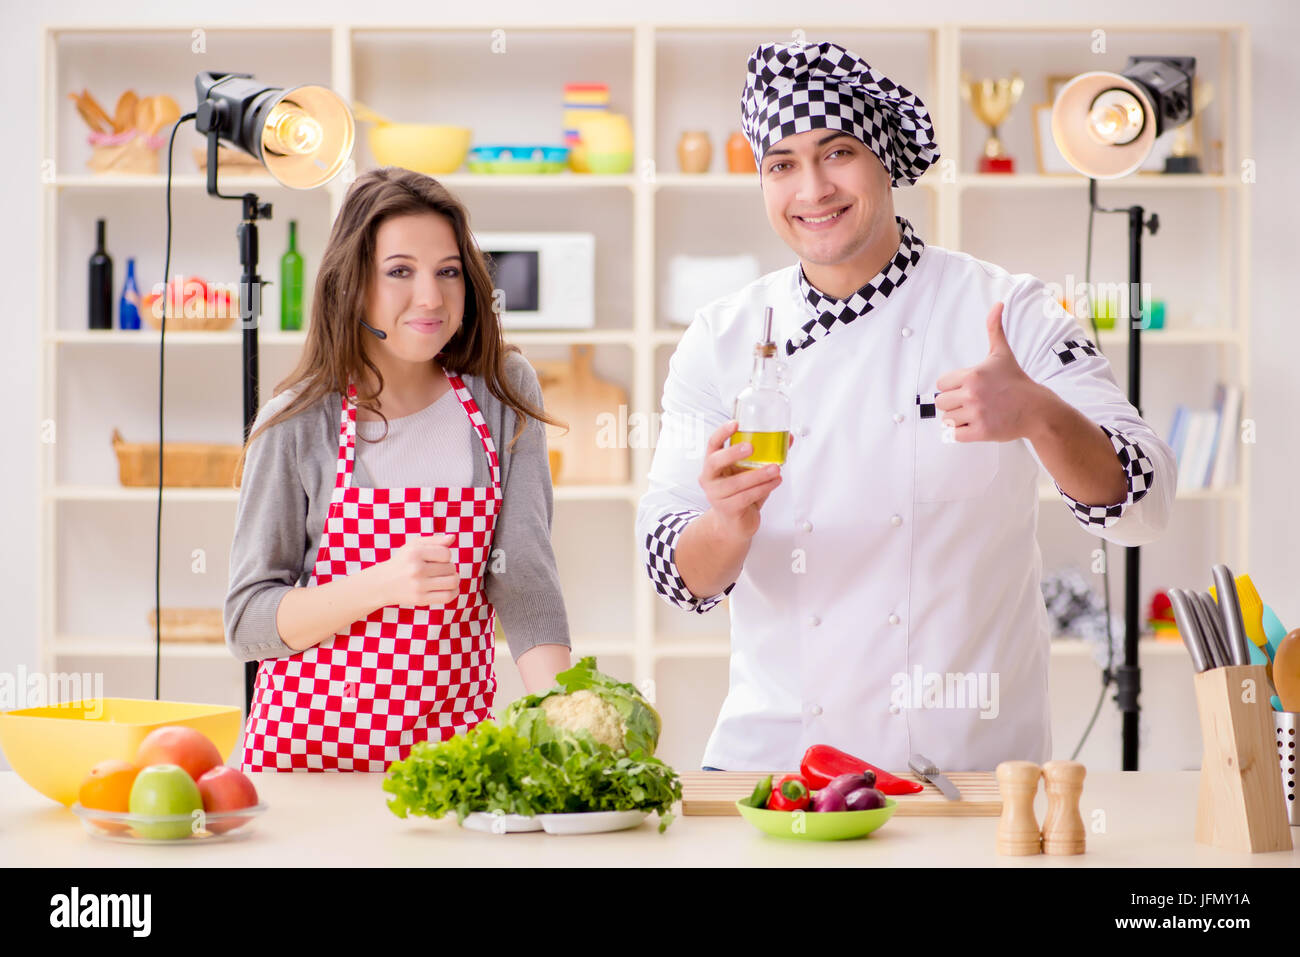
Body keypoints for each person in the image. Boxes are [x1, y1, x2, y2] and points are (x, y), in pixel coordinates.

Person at [636, 41, 1177, 773]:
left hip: (964, 770)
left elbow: (1145, 501)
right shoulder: (723, 336)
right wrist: (728, 521)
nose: (812, 188)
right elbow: (675, 574)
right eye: (782, 165)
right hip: (776, 768)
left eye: (838, 153)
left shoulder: (1007, 309)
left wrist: (1039, 414)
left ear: (885, 159)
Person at [225, 166, 572, 772]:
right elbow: (247, 622)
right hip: (307, 763)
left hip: (450, 762)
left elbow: (525, 582)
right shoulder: (296, 420)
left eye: (448, 271)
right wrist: (381, 586)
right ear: (353, 284)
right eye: (400, 272)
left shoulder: (501, 390)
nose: (431, 297)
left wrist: (570, 730)